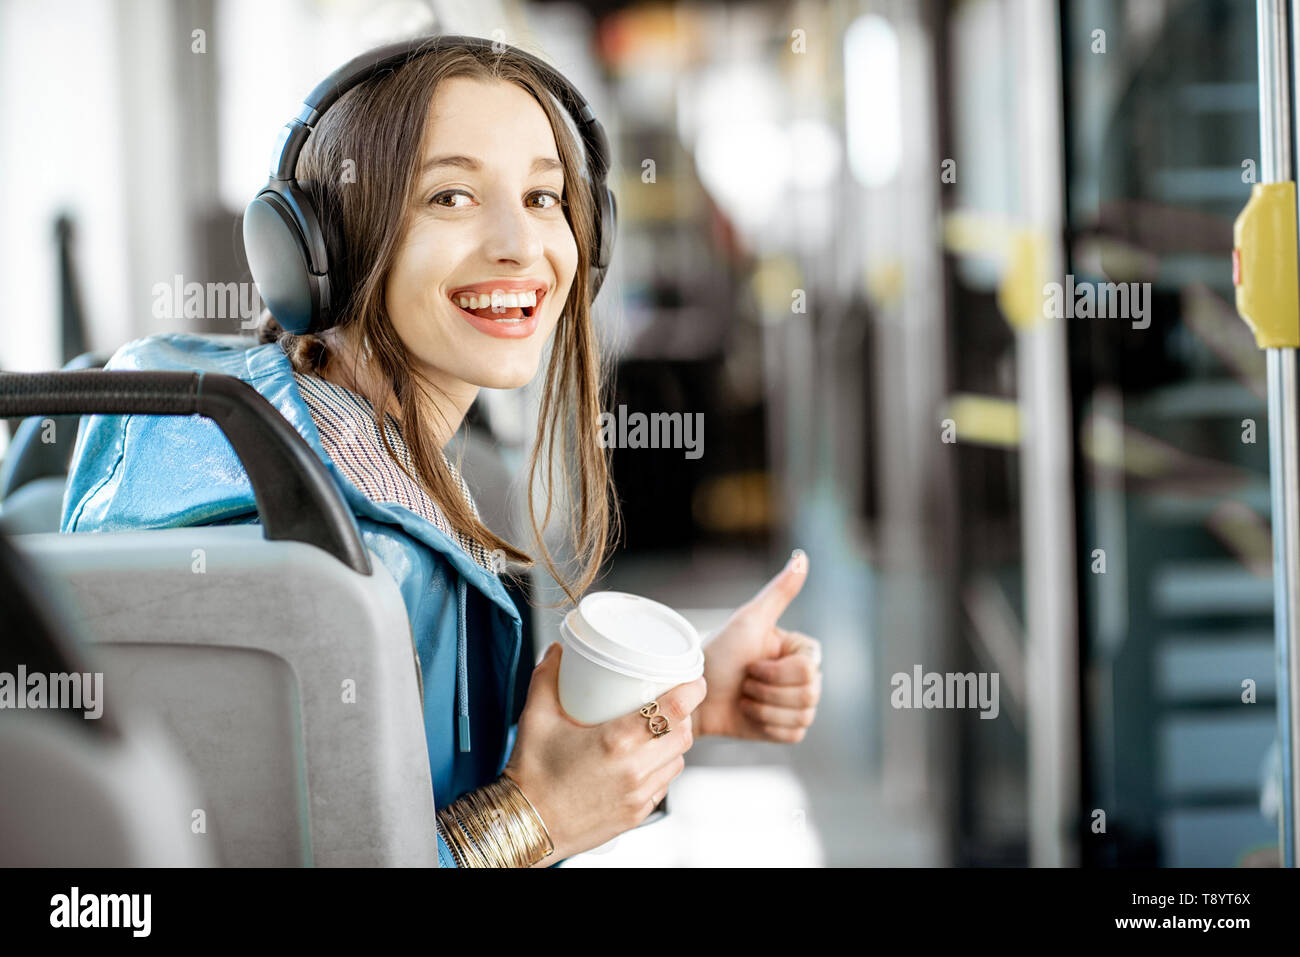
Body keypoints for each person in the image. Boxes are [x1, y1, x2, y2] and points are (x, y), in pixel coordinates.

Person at [61, 37, 823, 867]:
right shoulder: (322, 541)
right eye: (451, 196)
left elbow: (401, 780)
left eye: (543, 195)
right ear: (320, 251)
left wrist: (681, 700)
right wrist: (533, 821)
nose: (520, 244)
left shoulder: (317, 450)